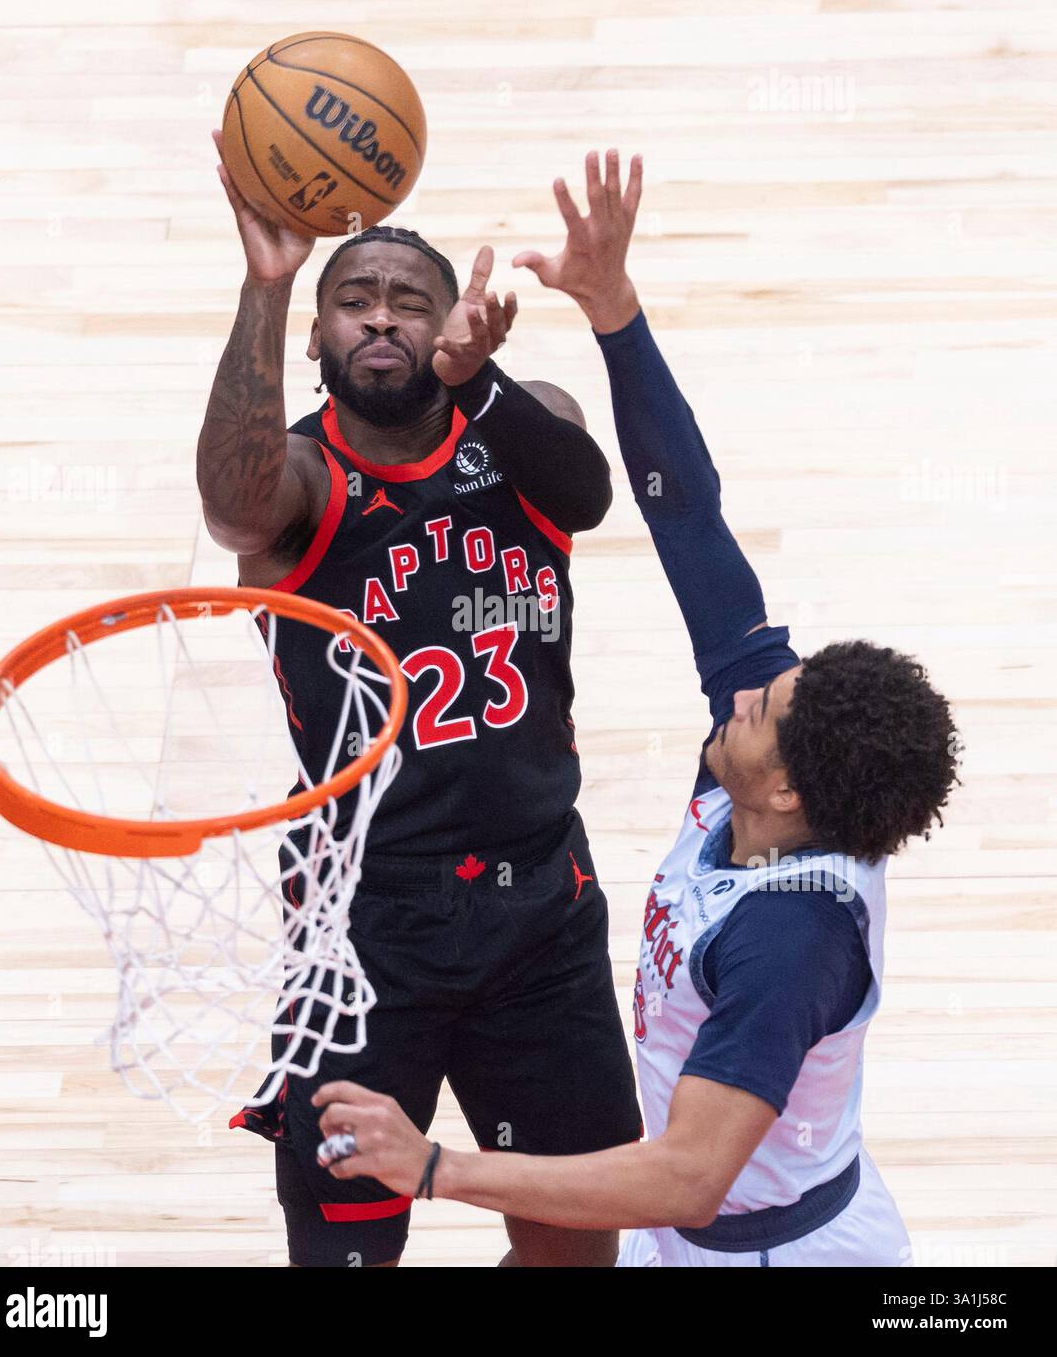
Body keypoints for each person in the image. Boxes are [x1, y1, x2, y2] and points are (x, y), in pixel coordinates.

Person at [313, 150, 960, 1267]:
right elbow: (690, 522)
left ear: (788, 783)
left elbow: (686, 1177)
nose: (745, 688)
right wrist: (615, 312)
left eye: (765, 705)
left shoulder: (788, 939)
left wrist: (435, 1168)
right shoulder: (761, 778)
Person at [197, 134, 642, 1268]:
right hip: (360, 930)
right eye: (355, 301)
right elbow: (233, 509)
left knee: (574, 1244)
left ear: (454, 325)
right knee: (346, 1255)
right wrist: (268, 279)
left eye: (410, 302)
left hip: (539, 909)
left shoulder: (523, 419)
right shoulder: (298, 479)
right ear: (318, 336)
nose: (383, 319)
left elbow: (589, 496)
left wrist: (475, 384)